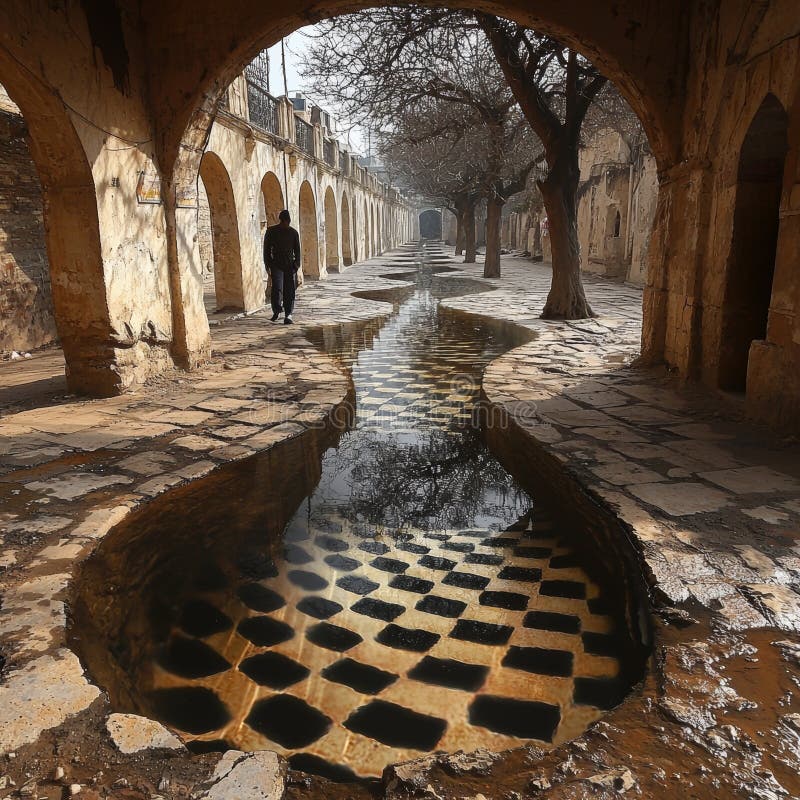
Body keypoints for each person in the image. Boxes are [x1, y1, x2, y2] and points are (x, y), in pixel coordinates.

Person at [263, 209, 301, 324]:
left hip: (289, 265)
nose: (286, 223)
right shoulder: (271, 232)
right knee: (277, 288)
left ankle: (288, 314)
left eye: (287, 222)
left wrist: (296, 265)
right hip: (276, 264)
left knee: (289, 290)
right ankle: (277, 310)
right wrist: (268, 264)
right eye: (285, 221)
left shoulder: (293, 233)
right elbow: (266, 249)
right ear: (281, 220)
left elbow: (297, 250)